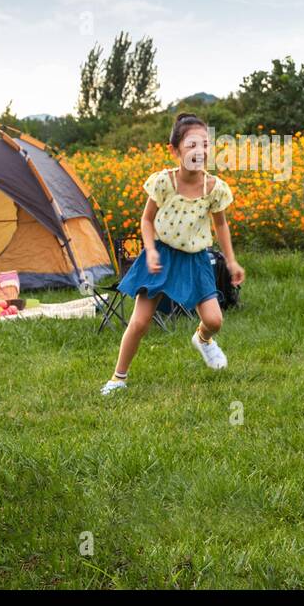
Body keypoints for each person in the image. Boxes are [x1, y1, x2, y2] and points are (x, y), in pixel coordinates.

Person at [101, 113, 245, 395]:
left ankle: (203, 340)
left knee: (215, 320)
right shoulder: (163, 182)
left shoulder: (215, 188)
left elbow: (221, 224)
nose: (200, 151)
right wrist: (151, 250)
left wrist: (231, 260)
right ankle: (118, 378)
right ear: (174, 149)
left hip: (196, 260)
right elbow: (146, 220)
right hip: (161, 258)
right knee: (140, 322)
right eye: (192, 145)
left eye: (205, 144)